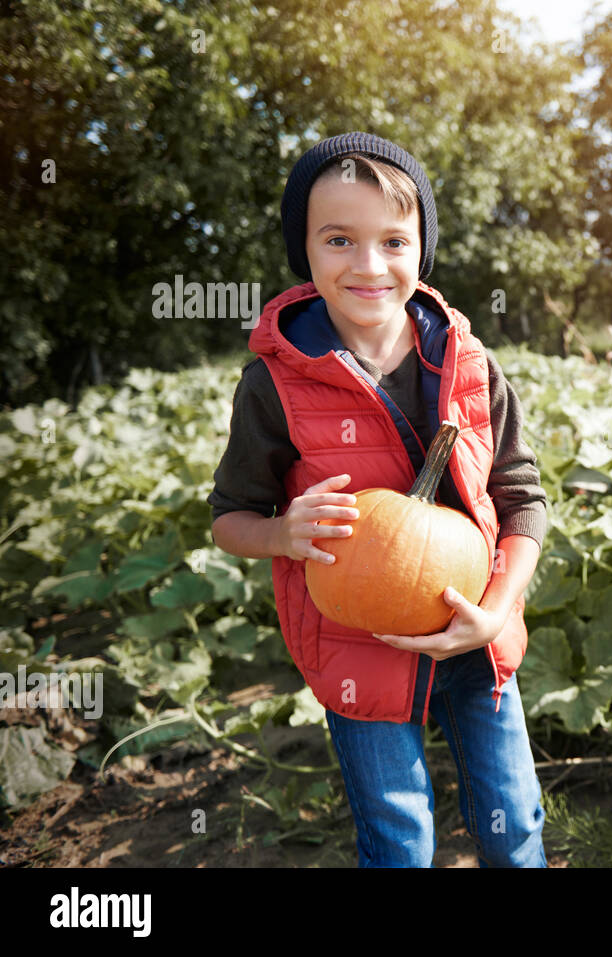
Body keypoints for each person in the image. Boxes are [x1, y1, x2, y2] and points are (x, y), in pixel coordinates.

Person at [207, 131, 549, 867]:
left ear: (420, 248)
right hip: (355, 643)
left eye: (393, 240)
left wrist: (496, 609)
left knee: (513, 824)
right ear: (305, 251)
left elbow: (522, 503)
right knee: (399, 842)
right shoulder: (276, 383)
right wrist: (281, 534)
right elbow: (229, 519)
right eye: (338, 239)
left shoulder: (467, 364)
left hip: (475, 630)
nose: (368, 265)